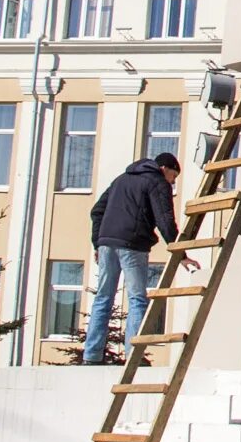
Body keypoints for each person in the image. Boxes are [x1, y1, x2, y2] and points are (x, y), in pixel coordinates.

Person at [83, 152, 198, 365]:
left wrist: (98, 243)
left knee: (103, 298)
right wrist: (181, 254)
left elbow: (97, 211)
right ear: (166, 169)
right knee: (137, 299)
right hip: (132, 244)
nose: (173, 183)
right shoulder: (157, 182)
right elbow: (165, 220)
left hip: (107, 243)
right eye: (174, 176)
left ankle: (91, 356)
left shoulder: (122, 179)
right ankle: (133, 356)